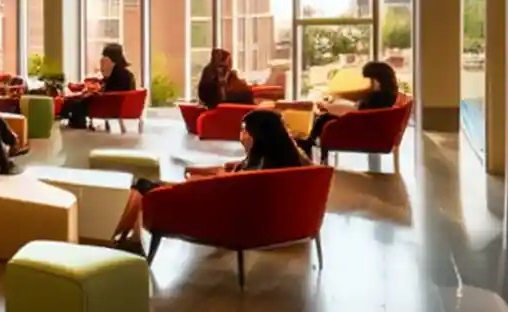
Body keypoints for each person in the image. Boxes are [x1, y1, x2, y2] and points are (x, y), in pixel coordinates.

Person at [134, 109, 308, 194]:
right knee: (149, 187)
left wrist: (194, 180)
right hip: (225, 200)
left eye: (245, 131)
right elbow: (227, 172)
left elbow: (225, 181)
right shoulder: (289, 159)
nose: (241, 136)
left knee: (141, 190)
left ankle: (129, 243)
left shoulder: (259, 171)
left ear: (260, 135)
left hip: (220, 208)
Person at [298, 61, 400, 157]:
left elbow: (357, 112)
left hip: (360, 130)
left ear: (376, 81)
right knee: (321, 117)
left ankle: (304, 146)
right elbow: (359, 109)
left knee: (320, 118)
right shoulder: (386, 95)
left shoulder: (377, 99)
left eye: (366, 79)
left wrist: (329, 106)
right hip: (362, 125)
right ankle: (306, 145)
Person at [60, 43, 137, 129]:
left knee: (78, 102)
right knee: (79, 99)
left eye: (105, 56)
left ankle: (73, 121)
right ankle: (71, 119)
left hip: (109, 104)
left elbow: (110, 91)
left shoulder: (116, 73)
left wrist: (95, 92)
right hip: (117, 103)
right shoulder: (127, 74)